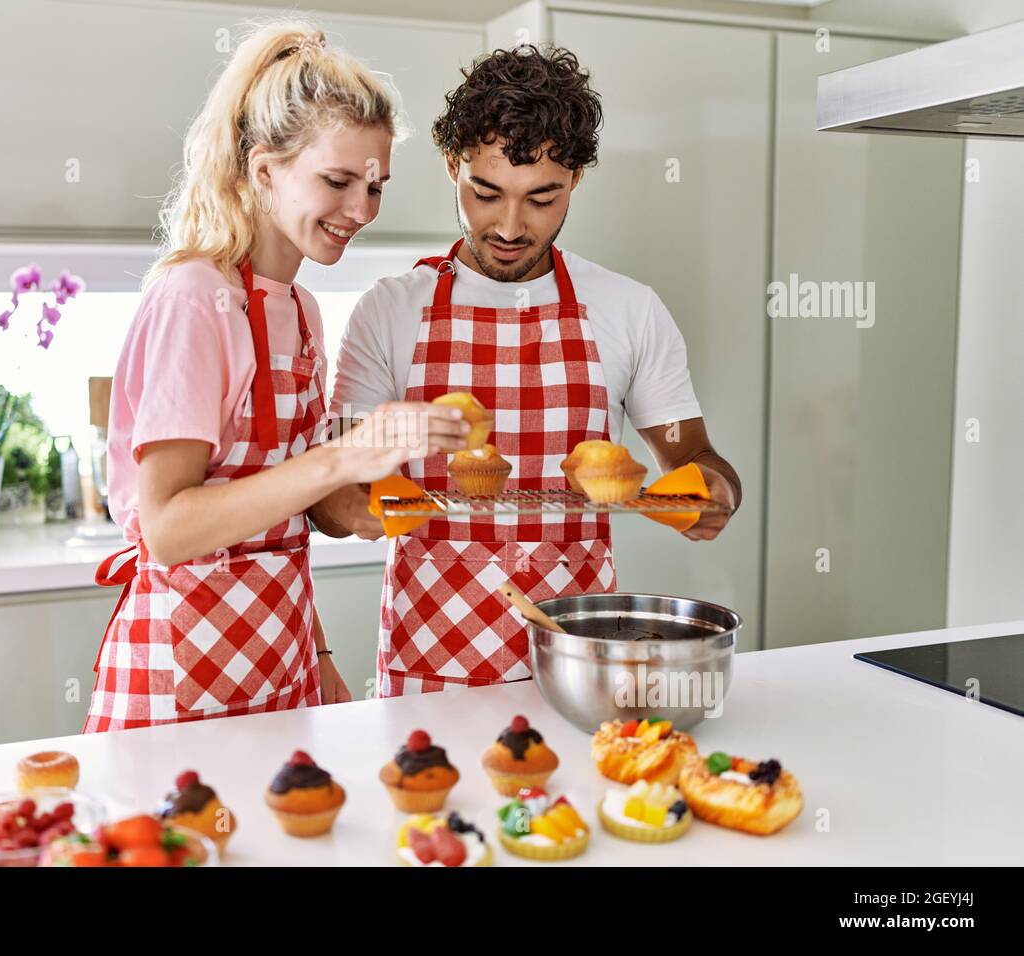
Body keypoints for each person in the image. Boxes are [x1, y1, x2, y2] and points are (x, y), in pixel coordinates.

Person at [311, 45, 741, 697]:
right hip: (429, 669)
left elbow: (700, 458)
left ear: (576, 180)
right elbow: (328, 502)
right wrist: (361, 505)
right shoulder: (388, 312)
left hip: (581, 666)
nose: (510, 226)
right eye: (486, 193)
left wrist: (712, 493)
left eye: (543, 197)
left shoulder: (628, 308)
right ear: (452, 166)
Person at [84, 23, 468, 730]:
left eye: (375, 186)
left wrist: (321, 654)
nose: (361, 210)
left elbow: (282, 524)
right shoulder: (194, 300)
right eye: (338, 181)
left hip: (282, 665)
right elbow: (168, 530)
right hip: (177, 682)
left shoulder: (303, 311)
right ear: (264, 170)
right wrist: (347, 454)